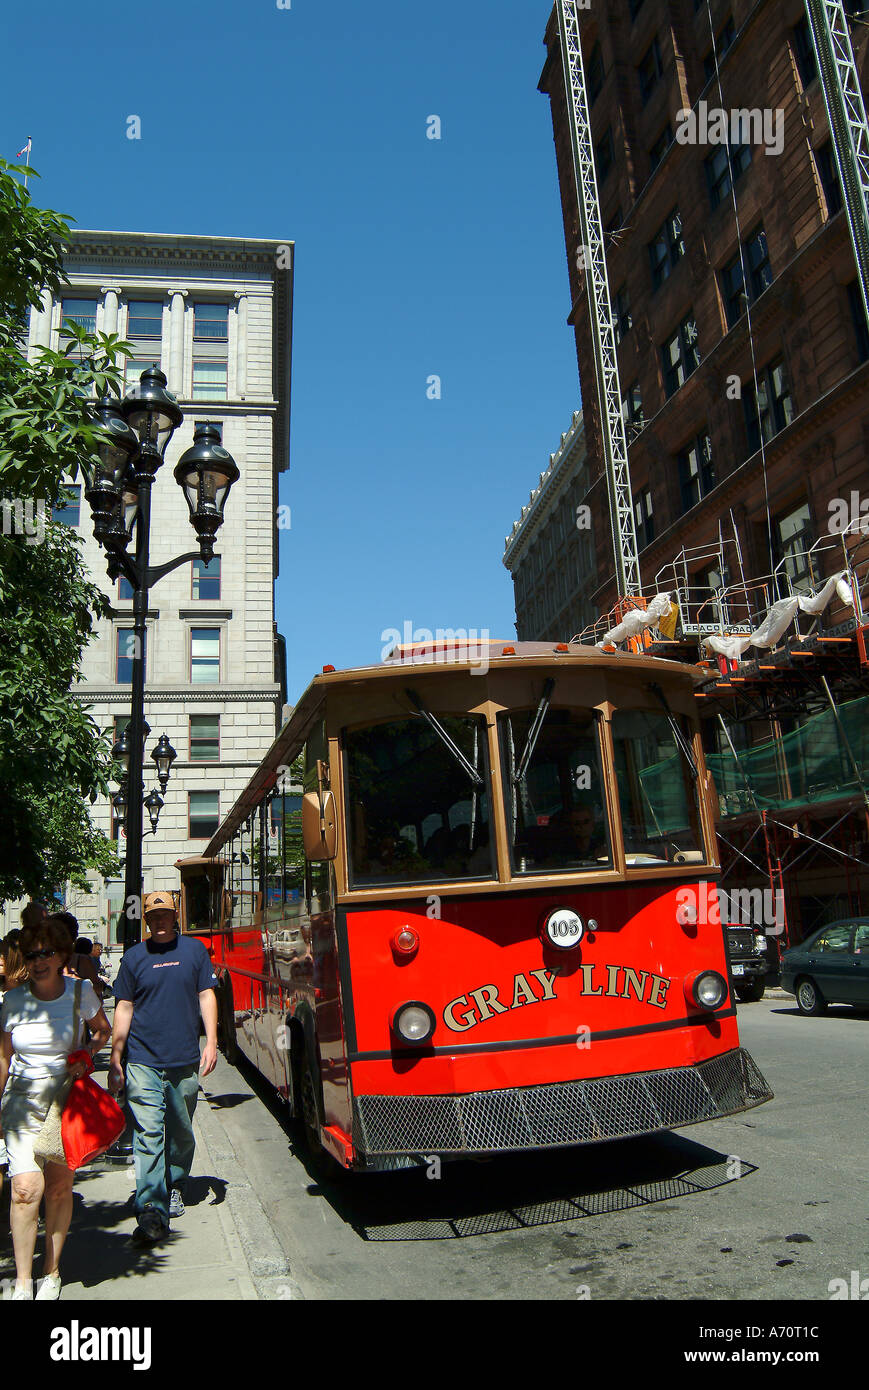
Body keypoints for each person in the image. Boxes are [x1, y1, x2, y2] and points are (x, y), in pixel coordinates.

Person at [0, 916, 111, 1299]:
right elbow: (3, 1058)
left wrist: (88, 1055)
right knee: (25, 1189)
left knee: (60, 1189)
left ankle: (52, 1272)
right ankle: (23, 1280)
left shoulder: (80, 994)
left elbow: (102, 1031)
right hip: (21, 1101)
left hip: (64, 1101)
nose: (38, 961)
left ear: (62, 953)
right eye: (31, 955)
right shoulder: (12, 1001)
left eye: (46, 952)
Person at [109, 891, 218, 1244]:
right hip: (142, 1059)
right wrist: (115, 1055)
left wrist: (212, 1042)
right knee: (149, 1133)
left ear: (175, 918)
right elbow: (124, 1006)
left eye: (165, 916)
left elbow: (206, 995)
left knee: (181, 1130)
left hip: (184, 1059)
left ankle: (176, 1180)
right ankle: (152, 1208)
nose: (159, 922)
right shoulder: (134, 958)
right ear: (146, 921)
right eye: (152, 917)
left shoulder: (194, 952)